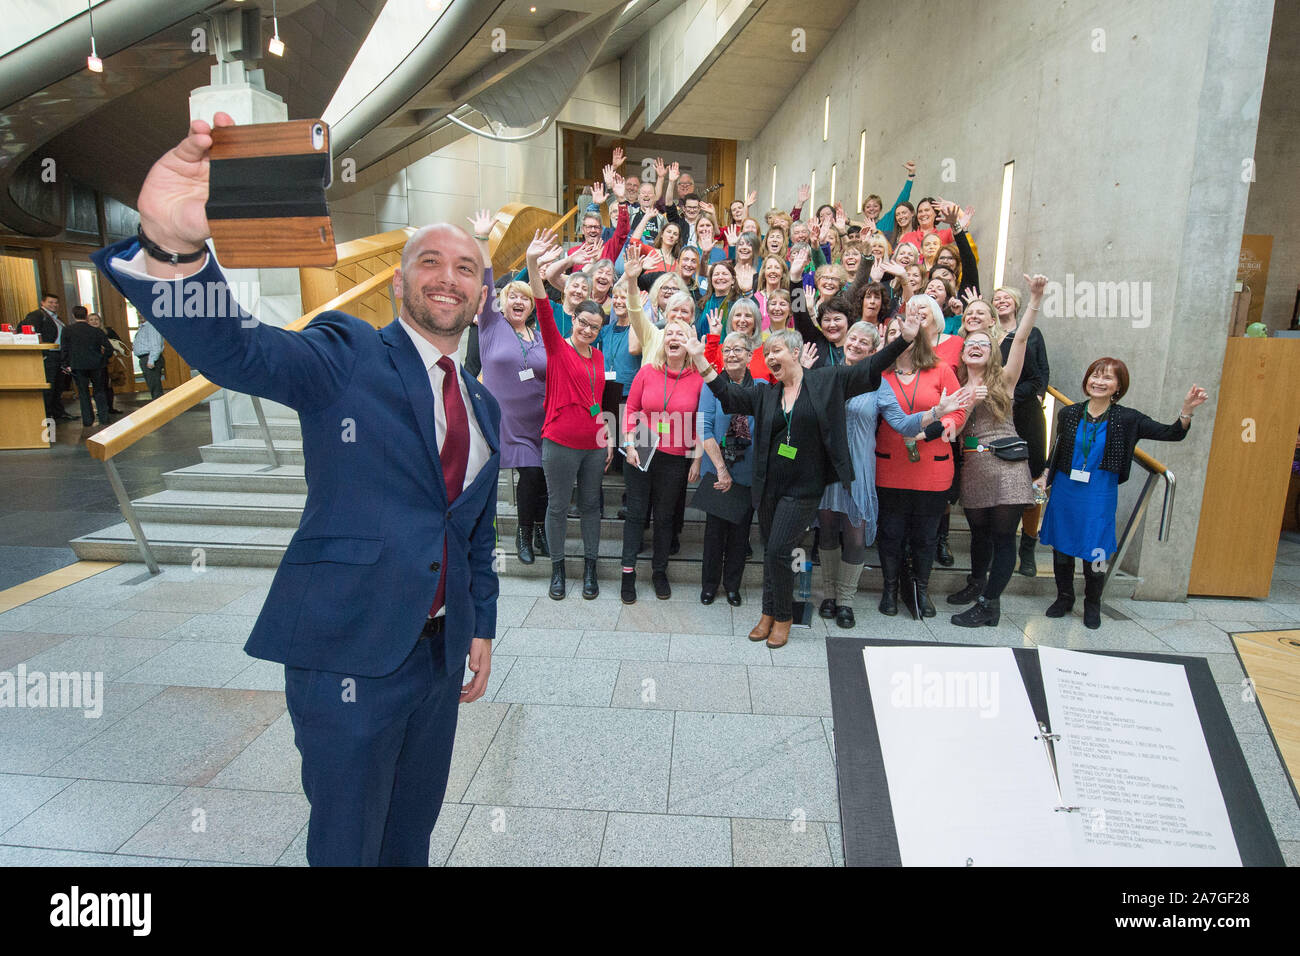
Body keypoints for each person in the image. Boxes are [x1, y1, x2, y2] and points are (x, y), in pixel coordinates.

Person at [92, 113, 498, 867]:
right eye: (430, 261)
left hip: (439, 661)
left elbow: (473, 530)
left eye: (467, 267)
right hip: (348, 654)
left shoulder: (483, 403)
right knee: (348, 844)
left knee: (409, 836)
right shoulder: (346, 354)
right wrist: (174, 250)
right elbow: (240, 350)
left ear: (483, 291)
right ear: (401, 280)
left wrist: (481, 626)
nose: (449, 276)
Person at [684, 306, 921, 649]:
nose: (770, 358)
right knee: (771, 550)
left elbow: (870, 367)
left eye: (776, 351)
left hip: (805, 488)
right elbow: (728, 395)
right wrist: (702, 361)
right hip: (768, 487)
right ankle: (767, 613)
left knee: (780, 548)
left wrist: (905, 339)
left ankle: (783, 616)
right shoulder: (767, 393)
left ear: (796, 352)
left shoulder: (828, 381)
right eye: (767, 354)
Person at [1036, 360, 1207, 628]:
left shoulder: (1128, 419)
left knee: (1097, 551)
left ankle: (1093, 603)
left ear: (1118, 386)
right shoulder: (1069, 414)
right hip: (1066, 488)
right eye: (1095, 375)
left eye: (1107, 378)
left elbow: (1171, 433)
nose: (1099, 381)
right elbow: (1057, 449)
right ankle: (1064, 597)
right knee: (1062, 546)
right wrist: (1046, 472)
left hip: (1099, 493)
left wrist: (1186, 411)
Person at [818, 321, 968, 627]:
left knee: (856, 536)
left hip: (858, 470)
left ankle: (846, 600)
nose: (856, 344)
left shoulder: (879, 383)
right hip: (825, 468)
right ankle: (829, 595)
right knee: (827, 531)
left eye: (865, 342)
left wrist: (938, 412)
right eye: (853, 338)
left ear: (875, 351)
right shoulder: (825, 374)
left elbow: (903, 424)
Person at [945, 275, 1047, 627]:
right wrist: (966, 401)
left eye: (983, 344)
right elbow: (953, 429)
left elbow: (1020, 338)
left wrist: (1034, 299)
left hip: (1006, 465)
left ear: (992, 352)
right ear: (962, 351)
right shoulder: (956, 385)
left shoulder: (1004, 378)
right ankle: (977, 585)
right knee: (979, 535)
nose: (975, 347)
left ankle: (991, 604)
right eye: (969, 343)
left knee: (1004, 538)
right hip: (974, 466)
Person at [526, 228, 613, 602]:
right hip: (559, 442)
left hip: (593, 445)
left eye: (595, 327)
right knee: (559, 507)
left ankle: (590, 568)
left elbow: (596, 404)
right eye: (583, 324)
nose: (589, 331)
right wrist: (534, 263)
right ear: (573, 320)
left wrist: (606, 438)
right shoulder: (558, 348)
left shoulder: (599, 357)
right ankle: (558, 569)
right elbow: (541, 299)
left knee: (591, 506)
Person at [874, 302, 968, 618]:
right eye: (897, 334)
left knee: (926, 536)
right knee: (890, 533)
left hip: (932, 468)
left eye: (910, 333)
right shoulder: (879, 374)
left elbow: (958, 411)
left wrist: (931, 433)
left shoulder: (940, 369)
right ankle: (889, 590)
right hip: (889, 467)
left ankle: (921, 591)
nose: (904, 338)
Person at [469, 210, 549, 566]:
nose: (519, 301)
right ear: (501, 302)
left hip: (541, 420)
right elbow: (484, 280)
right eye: (513, 297)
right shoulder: (489, 326)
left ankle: (542, 530)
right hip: (505, 421)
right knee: (531, 473)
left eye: (525, 298)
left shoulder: (540, 334)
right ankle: (524, 533)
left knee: (542, 477)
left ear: (532, 306)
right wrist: (483, 240)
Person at [618, 309, 704, 603]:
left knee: (665, 517)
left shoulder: (698, 378)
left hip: (676, 453)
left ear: (690, 341)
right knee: (637, 513)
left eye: (680, 333)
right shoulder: (647, 371)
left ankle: (659, 571)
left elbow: (700, 420)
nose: (673, 338)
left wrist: (696, 459)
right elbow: (629, 410)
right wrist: (629, 443)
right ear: (662, 341)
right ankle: (627, 573)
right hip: (642, 442)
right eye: (669, 333)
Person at [695, 330, 765, 606]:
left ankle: (733, 586)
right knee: (714, 534)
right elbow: (705, 427)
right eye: (728, 350)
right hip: (717, 468)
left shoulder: (760, 388)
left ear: (750, 356)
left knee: (739, 535)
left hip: (747, 471)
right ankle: (709, 585)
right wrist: (721, 469)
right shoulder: (710, 385)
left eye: (739, 350)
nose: (732, 355)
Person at [992, 284, 1051, 576]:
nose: (1001, 302)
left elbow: (1041, 375)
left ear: (1016, 304)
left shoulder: (1032, 335)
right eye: (996, 299)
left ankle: (1027, 546)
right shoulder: (988, 336)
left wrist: (1020, 394)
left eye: (1006, 298)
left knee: (1032, 477)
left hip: (1025, 413)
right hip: (995, 416)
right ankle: (1001, 543)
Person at [62, 305, 112, 426]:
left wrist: (65, 364)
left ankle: (88, 420)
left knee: (83, 393)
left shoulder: (67, 330)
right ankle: (104, 418)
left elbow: (64, 349)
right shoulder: (96, 331)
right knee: (99, 391)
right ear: (86, 315)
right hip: (97, 365)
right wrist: (103, 359)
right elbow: (109, 348)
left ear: (73, 315)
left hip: (78, 365)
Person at [26, 292, 72, 421]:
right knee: (49, 386)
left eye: (56, 303)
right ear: (43, 302)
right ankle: (47, 414)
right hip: (48, 355)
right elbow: (31, 332)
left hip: (59, 355)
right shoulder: (37, 315)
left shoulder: (57, 318)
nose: (54, 305)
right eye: (50, 302)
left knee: (58, 386)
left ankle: (58, 412)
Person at [133, 318, 167, 399]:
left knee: (155, 388)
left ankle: (160, 408)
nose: (139, 315)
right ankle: (159, 406)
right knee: (153, 386)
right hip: (145, 358)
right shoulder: (143, 327)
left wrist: (151, 360)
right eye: (138, 313)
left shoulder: (151, 326)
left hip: (149, 358)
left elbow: (156, 345)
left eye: (141, 313)